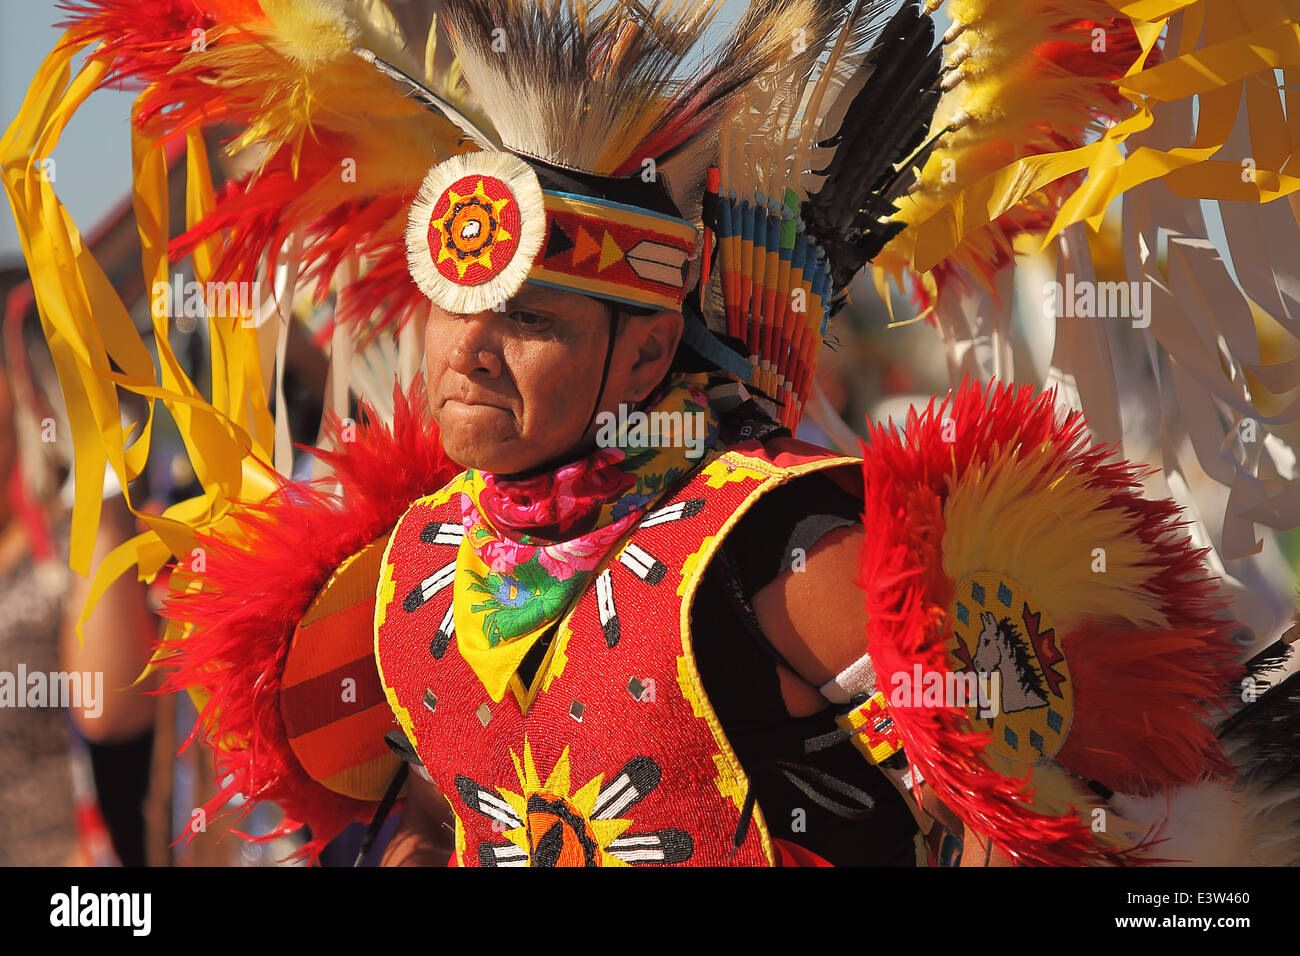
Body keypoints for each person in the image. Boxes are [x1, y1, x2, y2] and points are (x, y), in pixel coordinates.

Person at [7, 0, 1299, 867]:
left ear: (635, 350)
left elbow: (1066, 793)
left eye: (527, 318)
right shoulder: (391, 587)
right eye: (456, 309)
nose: (468, 350)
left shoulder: (784, 555)